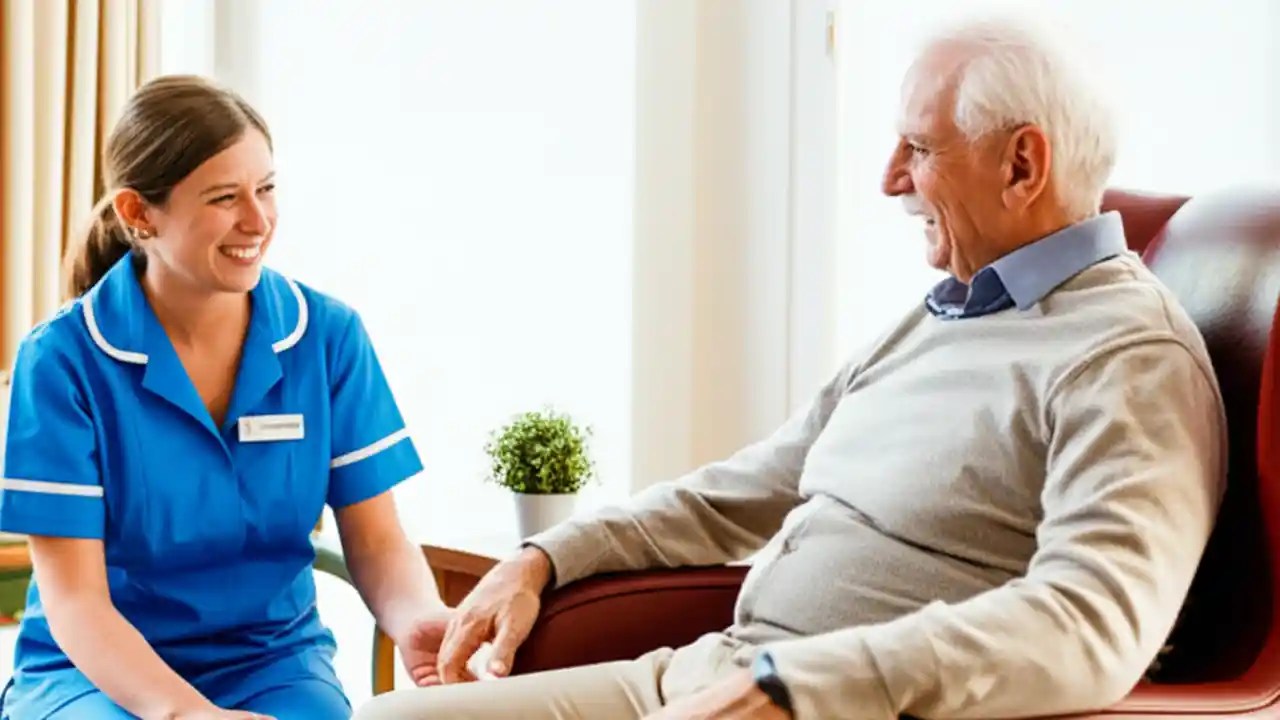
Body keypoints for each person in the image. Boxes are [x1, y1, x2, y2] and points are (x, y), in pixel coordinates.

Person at [354, 13, 1227, 720]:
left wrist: (810, 685)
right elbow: (741, 491)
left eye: (917, 149)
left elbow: (1091, 624)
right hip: (708, 675)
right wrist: (542, 558)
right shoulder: (948, 316)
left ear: (1023, 163)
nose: (891, 180)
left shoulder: (1127, 357)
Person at [0, 76, 452, 720]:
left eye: (267, 188)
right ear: (137, 214)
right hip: (95, 672)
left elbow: (378, 540)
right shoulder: (60, 363)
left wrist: (417, 617)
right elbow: (76, 603)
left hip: (269, 661)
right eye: (224, 198)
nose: (258, 220)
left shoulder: (327, 337)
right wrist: (189, 715)